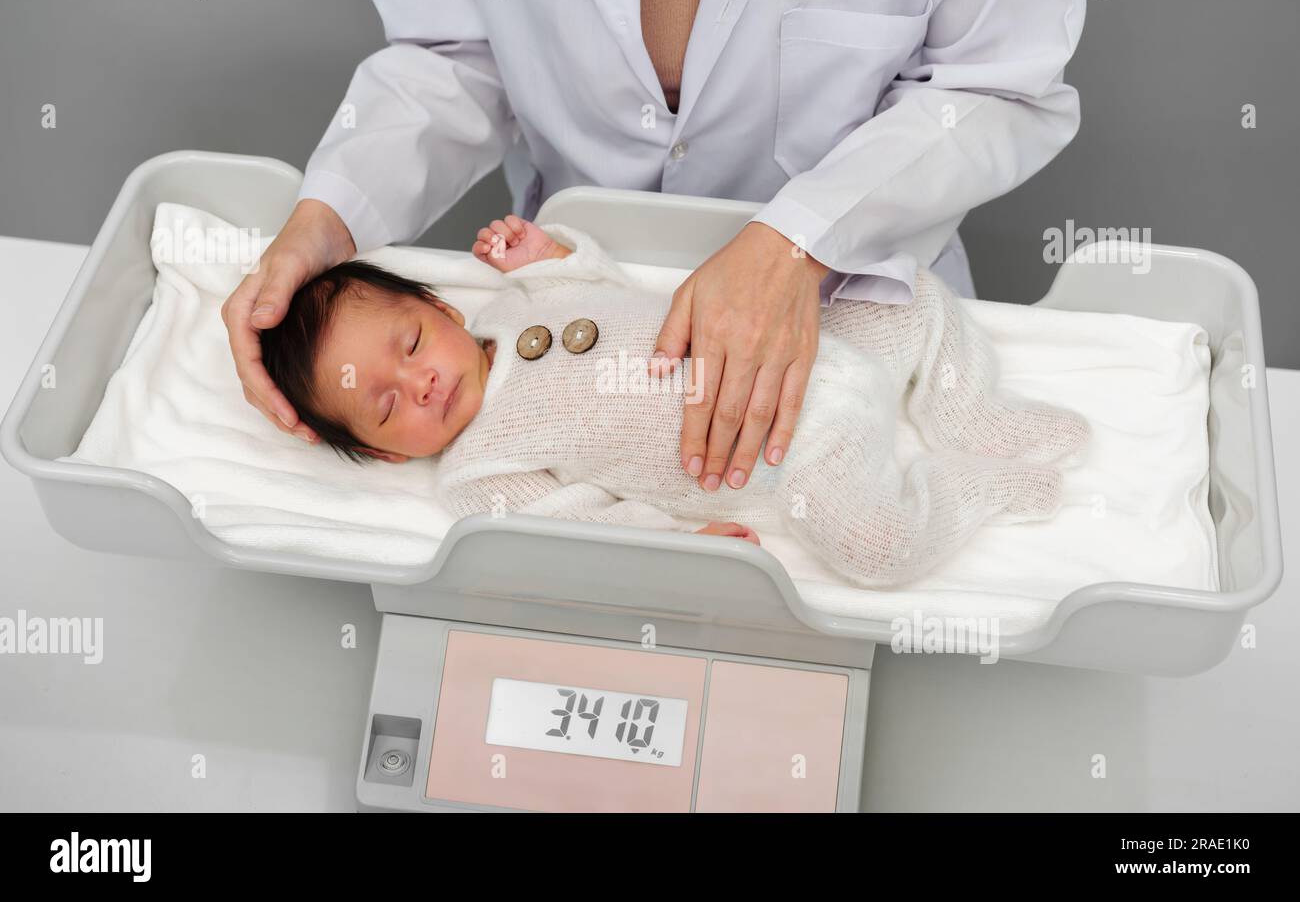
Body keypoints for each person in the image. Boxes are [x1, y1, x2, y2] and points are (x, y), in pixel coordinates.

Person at [224, 0, 1086, 498]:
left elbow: (999, 82)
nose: (416, 382)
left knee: (918, 392)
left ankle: (991, 467)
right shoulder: (500, 427)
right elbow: (451, 55)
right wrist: (330, 218)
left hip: (862, 279)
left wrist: (802, 243)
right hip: (606, 276)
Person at [257, 215, 1088, 585]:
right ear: (383, 453)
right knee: (875, 545)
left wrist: (551, 254)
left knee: (909, 295)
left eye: (408, 347)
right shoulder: (478, 468)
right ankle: (969, 489)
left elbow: (606, 289)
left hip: (813, 347)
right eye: (387, 408)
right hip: (789, 456)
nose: (421, 383)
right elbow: (579, 523)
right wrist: (680, 540)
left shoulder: (517, 308)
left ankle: (970, 413)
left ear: (439, 309)